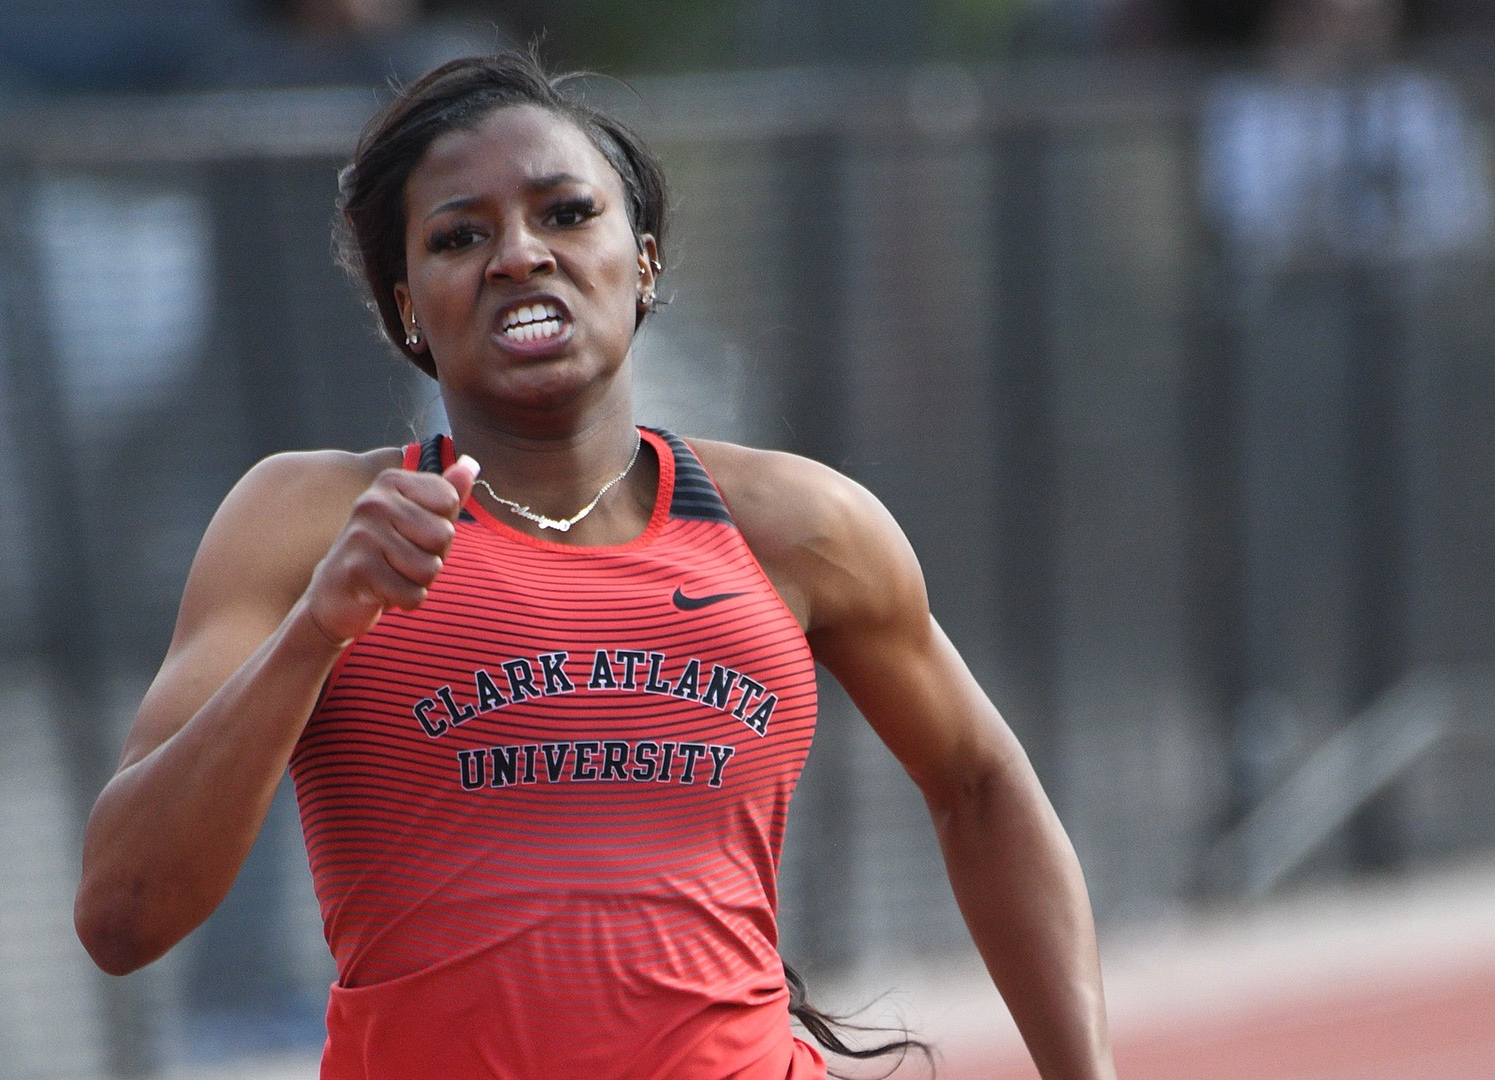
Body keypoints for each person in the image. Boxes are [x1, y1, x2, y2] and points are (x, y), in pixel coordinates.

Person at [74, 49, 1117, 1080]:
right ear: (405, 309)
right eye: (459, 235)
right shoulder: (310, 522)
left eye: (566, 213)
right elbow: (122, 917)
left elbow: (981, 783)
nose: (519, 255)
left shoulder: (799, 527)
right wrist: (316, 630)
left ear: (647, 262)